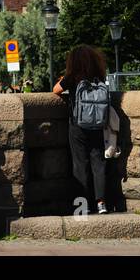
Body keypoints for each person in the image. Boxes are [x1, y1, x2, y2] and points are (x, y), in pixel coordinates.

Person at [53, 45, 112, 214]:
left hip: (78, 125)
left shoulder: (73, 76)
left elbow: (56, 90)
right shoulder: (98, 76)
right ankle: (101, 203)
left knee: (80, 164)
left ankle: (82, 205)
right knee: (98, 163)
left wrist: (63, 78)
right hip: (98, 124)